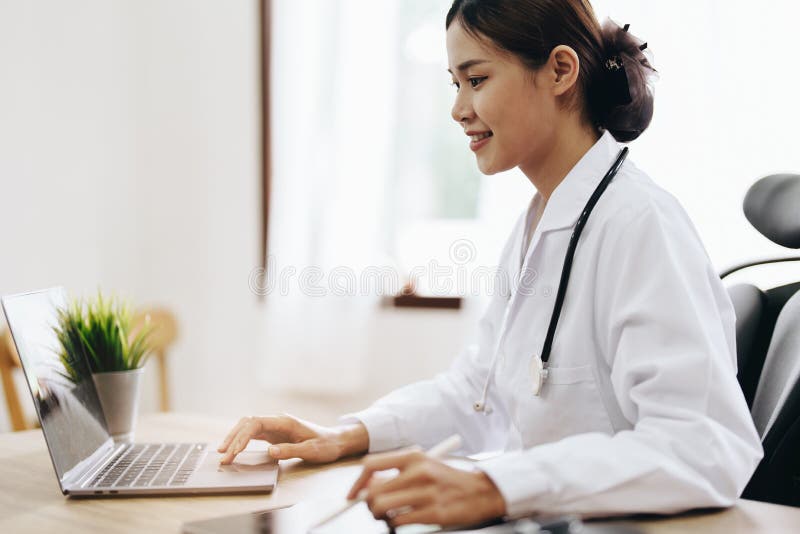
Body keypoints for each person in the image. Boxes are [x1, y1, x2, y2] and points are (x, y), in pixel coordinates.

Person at [218, 0, 763, 527]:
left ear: (559, 70)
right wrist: (349, 433)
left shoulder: (641, 225)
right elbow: (477, 394)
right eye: (454, 84)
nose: (458, 109)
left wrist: (498, 487)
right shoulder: (540, 223)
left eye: (476, 80)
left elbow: (704, 447)